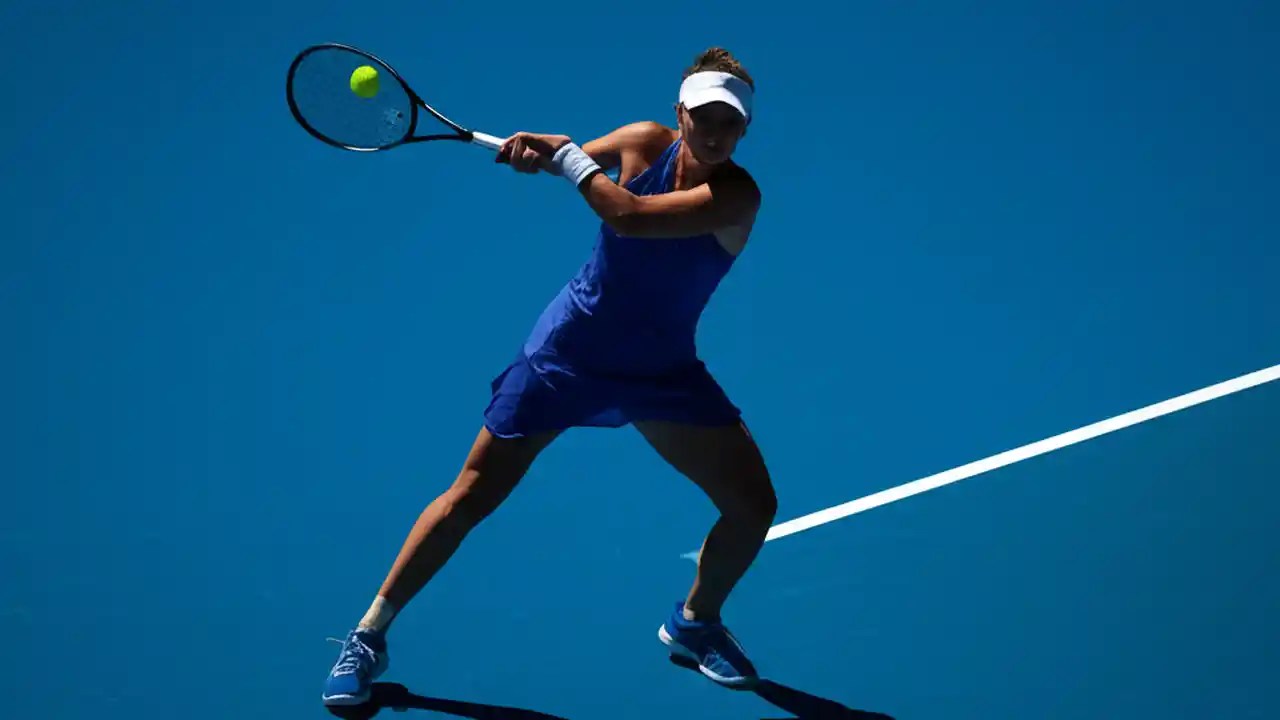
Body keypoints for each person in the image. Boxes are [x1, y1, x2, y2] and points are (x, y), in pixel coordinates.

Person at [322, 47, 777, 706]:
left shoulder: (737, 194)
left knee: (754, 507)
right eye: (703, 116)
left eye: (728, 123)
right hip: (567, 353)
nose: (713, 131)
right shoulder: (643, 142)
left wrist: (566, 156)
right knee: (470, 495)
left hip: (660, 370)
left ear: (743, 131)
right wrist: (538, 155)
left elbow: (625, 213)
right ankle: (368, 635)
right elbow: (575, 164)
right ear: (679, 113)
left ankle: (695, 622)